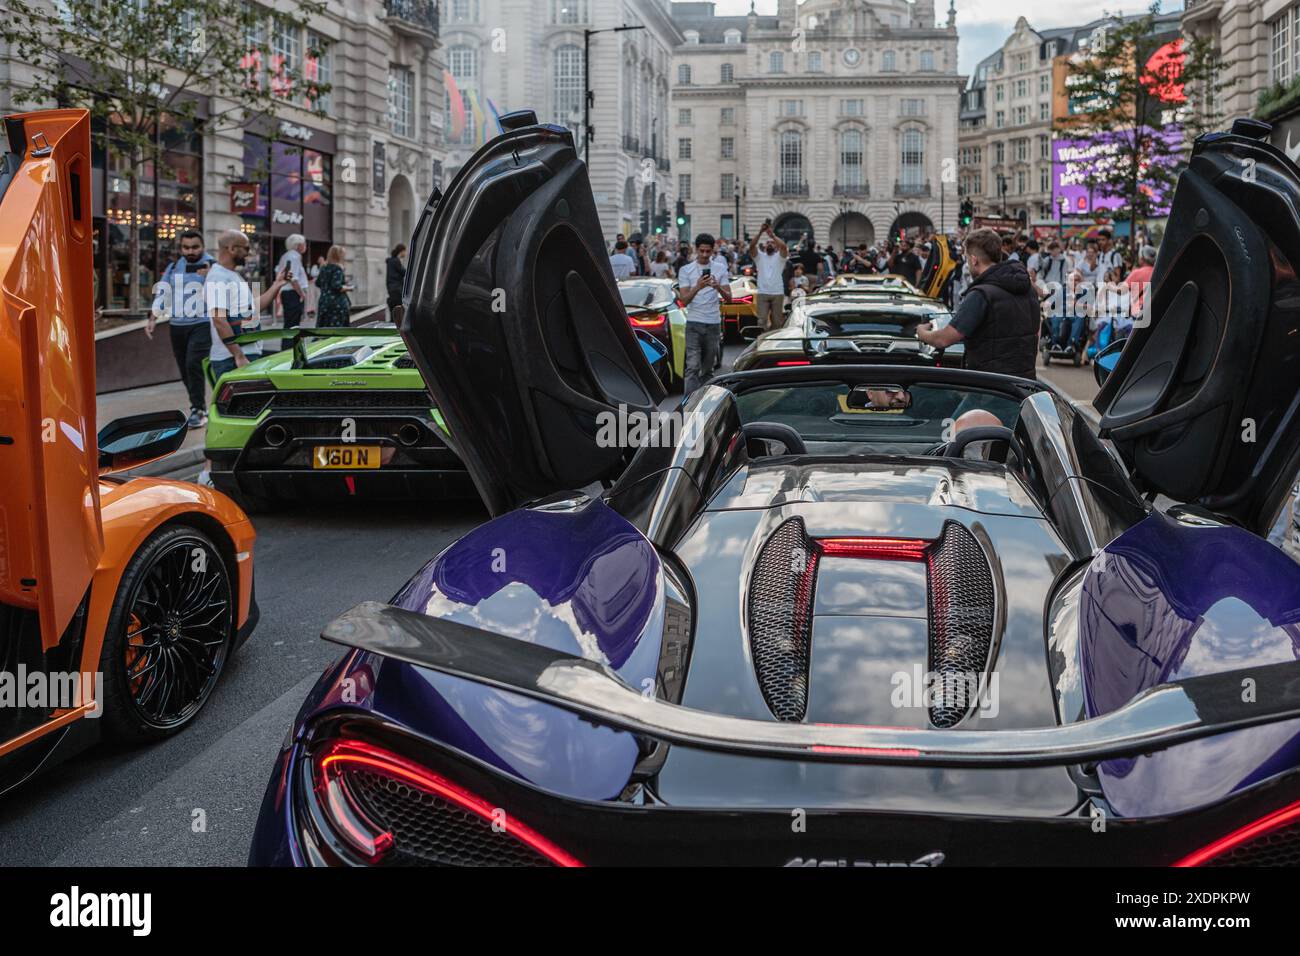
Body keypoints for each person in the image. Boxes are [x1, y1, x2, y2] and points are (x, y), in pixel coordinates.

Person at [916, 227, 1039, 379]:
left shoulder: (981, 294)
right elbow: (1036, 334)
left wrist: (922, 333)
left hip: (991, 386)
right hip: (1025, 382)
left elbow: (944, 339)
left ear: (974, 260)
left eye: (967, 258)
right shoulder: (1028, 289)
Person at [148, 229, 214, 429]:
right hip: (177, 325)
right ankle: (199, 405)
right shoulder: (174, 266)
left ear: (202, 246)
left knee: (194, 363)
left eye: (195, 247)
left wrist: (210, 276)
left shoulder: (213, 266)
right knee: (185, 368)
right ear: (181, 248)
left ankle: (198, 409)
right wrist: (153, 317)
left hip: (201, 323)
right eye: (186, 247)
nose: (191, 251)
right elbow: (163, 292)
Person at [204, 231, 287, 379]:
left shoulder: (232, 275)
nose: (249, 253)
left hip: (243, 354)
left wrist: (277, 285)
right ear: (231, 249)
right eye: (246, 249)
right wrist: (238, 355)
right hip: (230, 359)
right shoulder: (218, 277)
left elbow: (252, 310)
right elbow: (219, 320)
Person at [677, 233, 733, 395]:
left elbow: (729, 299)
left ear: (713, 250)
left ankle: (705, 406)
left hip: (713, 323)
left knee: (708, 369)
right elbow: (684, 301)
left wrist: (718, 287)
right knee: (692, 367)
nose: (704, 255)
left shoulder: (720, 269)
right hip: (694, 322)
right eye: (701, 251)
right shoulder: (686, 270)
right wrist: (697, 287)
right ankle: (689, 407)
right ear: (696, 249)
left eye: (708, 252)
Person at [749, 222, 788, 332]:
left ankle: (773, 341)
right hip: (763, 293)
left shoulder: (780, 257)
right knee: (761, 321)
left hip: (777, 293)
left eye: (772, 243)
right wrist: (760, 232)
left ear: (776, 246)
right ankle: (762, 341)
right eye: (768, 243)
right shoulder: (759, 257)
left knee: (777, 322)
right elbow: (752, 246)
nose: (770, 244)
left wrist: (773, 236)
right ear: (765, 246)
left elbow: (784, 247)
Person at [274, 234, 309, 350]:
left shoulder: (287, 256)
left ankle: (289, 348)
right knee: (292, 324)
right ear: (298, 245)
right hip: (292, 293)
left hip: (289, 293)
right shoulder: (294, 257)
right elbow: (293, 278)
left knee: (290, 323)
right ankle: (289, 349)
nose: (305, 246)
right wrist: (301, 294)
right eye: (304, 244)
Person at [315, 245, 354, 328]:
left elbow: (318, 283)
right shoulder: (337, 268)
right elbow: (336, 286)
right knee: (337, 329)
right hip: (337, 303)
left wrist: (326, 287)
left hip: (324, 301)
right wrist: (349, 288)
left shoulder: (323, 268)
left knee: (323, 328)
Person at [1124, 245, 1158, 327]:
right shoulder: (1158, 272)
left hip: (1138, 312)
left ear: (1142, 258)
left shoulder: (1137, 273)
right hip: (1155, 311)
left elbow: (1122, 290)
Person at [386, 244, 408, 324]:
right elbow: (404, 272)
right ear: (401, 251)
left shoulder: (391, 261)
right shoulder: (396, 261)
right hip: (396, 290)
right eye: (405, 251)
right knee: (398, 312)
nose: (406, 253)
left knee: (394, 313)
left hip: (392, 289)